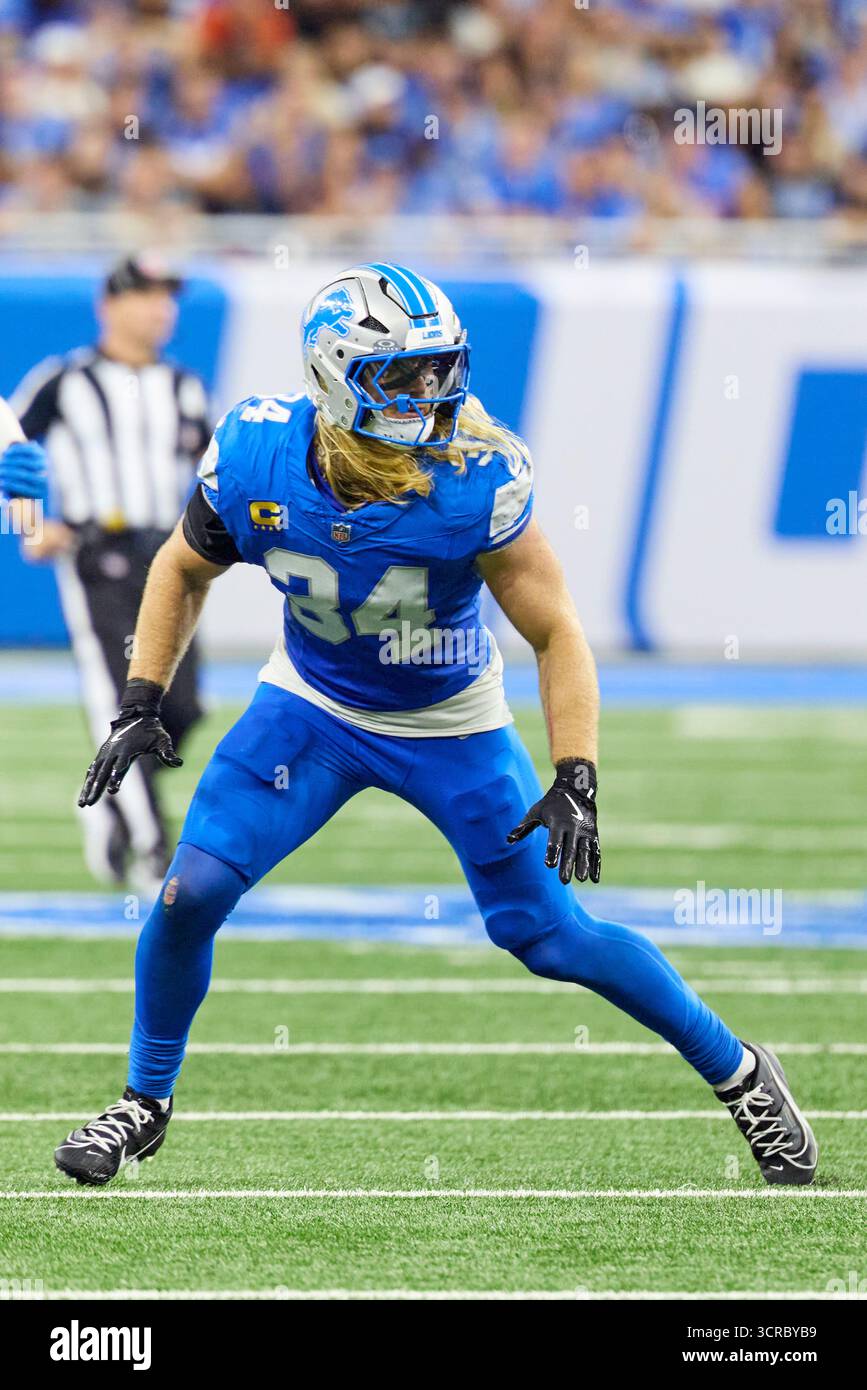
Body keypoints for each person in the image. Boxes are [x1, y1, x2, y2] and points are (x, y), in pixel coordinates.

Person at [53, 263, 817, 1187]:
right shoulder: (256, 454)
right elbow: (181, 569)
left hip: (448, 719)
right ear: (337, 377)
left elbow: (553, 628)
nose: (432, 392)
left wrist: (574, 772)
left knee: (548, 937)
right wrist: (140, 697)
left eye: (439, 368)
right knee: (189, 893)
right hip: (314, 707)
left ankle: (739, 1073)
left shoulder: (473, 477)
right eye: (404, 375)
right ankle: (145, 1100)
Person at [11, 255, 211, 891]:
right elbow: (12, 449)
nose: (162, 307)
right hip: (100, 555)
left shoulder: (183, 385)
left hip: (172, 559)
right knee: (124, 701)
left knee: (183, 705)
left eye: (168, 295)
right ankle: (156, 853)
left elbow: (214, 473)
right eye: (147, 294)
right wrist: (33, 523)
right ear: (110, 304)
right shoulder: (65, 379)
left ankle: (114, 802)